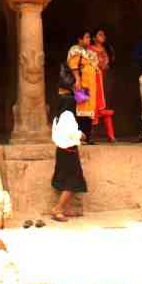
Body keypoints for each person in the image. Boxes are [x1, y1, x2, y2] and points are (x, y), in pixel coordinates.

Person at [49, 79, 86, 222]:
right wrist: (81, 134)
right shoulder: (68, 116)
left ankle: (64, 209)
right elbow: (72, 133)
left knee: (66, 181)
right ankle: (57, 209)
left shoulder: (57, 116)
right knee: (72, 182)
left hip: (61, 151)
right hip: (69, 151)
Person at [66, 32, 98, 143]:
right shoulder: (76, 51)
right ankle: (81, 137)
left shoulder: (89, 53)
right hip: (82, 85)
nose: (89, 39)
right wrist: (78, 80)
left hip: (90, 85)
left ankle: (87, 137)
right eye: (87, 37)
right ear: (80, 40)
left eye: (89, 37)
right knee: (81, 111)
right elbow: (74, 67)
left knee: (89, 112)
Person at [91, 28, 116, 143]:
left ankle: (111, 135)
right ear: (94, 38)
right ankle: (88, 136)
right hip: (94, 80)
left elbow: (109, 63)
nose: (103, 36)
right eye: (100, 34)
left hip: (106, 79)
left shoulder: (107, 49)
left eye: (104, 34)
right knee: (93, 107)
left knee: (107, 106)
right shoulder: (89, 50)